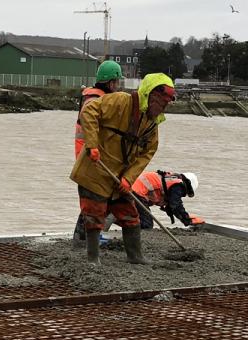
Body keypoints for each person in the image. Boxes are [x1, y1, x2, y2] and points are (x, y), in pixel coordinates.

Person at [71, 73, 177, 264]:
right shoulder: (120, 101)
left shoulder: (152, 124)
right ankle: (92, 259)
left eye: (166, 104)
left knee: (130, 215)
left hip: (119, 178)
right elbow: (89, 111)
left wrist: (129, 178)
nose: (163, 107)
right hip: (96, 169)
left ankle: (135, 257)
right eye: (161, 102)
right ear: (150, 95)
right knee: (94, 216)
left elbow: (147, 153)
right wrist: (92, 144)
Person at [72, 61, 125, 245]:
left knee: (95, 197)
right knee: (94, 197)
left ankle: (86, 236)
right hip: (90, 154)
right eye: (117, 82)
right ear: (111, 83)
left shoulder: (93, 96)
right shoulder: (95, 100)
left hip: (89, 152)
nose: (118, 86)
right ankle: (83, 237)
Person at [131, 170, 203, 230]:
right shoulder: (178, 185)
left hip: (130, 189)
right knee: (146, 224)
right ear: (188, 185)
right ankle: (138, 243)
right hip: (136, 192)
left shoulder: (169, 179)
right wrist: (188, 220)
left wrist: (170, 207)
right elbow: (176, 205)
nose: (183, 194)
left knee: (133, 220)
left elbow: (171, 203)